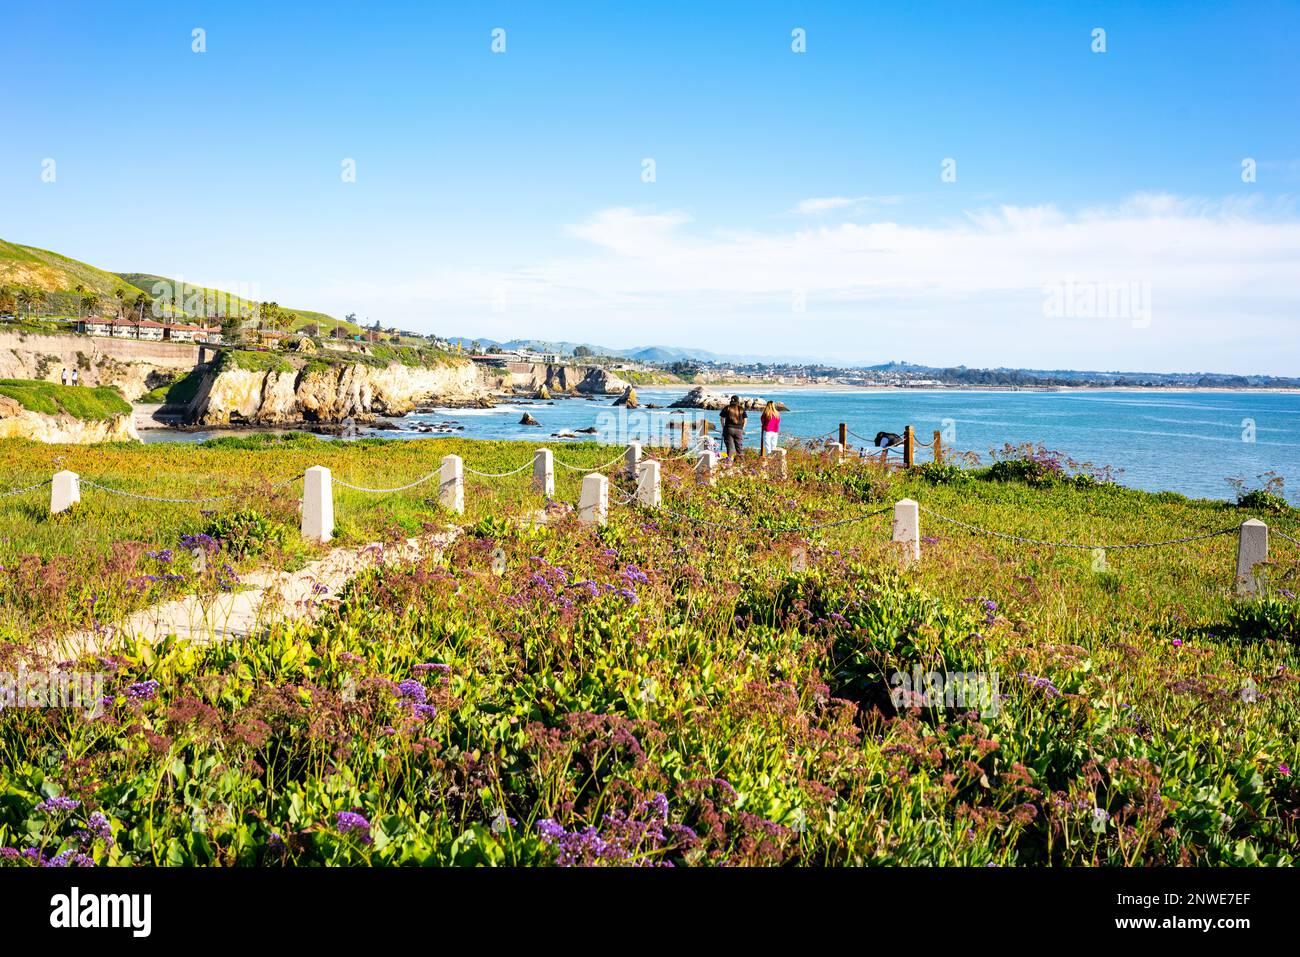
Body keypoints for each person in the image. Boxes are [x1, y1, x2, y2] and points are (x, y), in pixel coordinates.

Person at [719, 395, 747, 462]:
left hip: (728, 429)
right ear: (738, 401)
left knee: (730, 448)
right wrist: (742, 428)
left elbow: (721, 418)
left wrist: (723, 427)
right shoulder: (741, 409)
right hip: (739, 429)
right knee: (739, 447)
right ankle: (742, 463)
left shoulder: (727, 408)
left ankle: (729, 463)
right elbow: (745, 420)